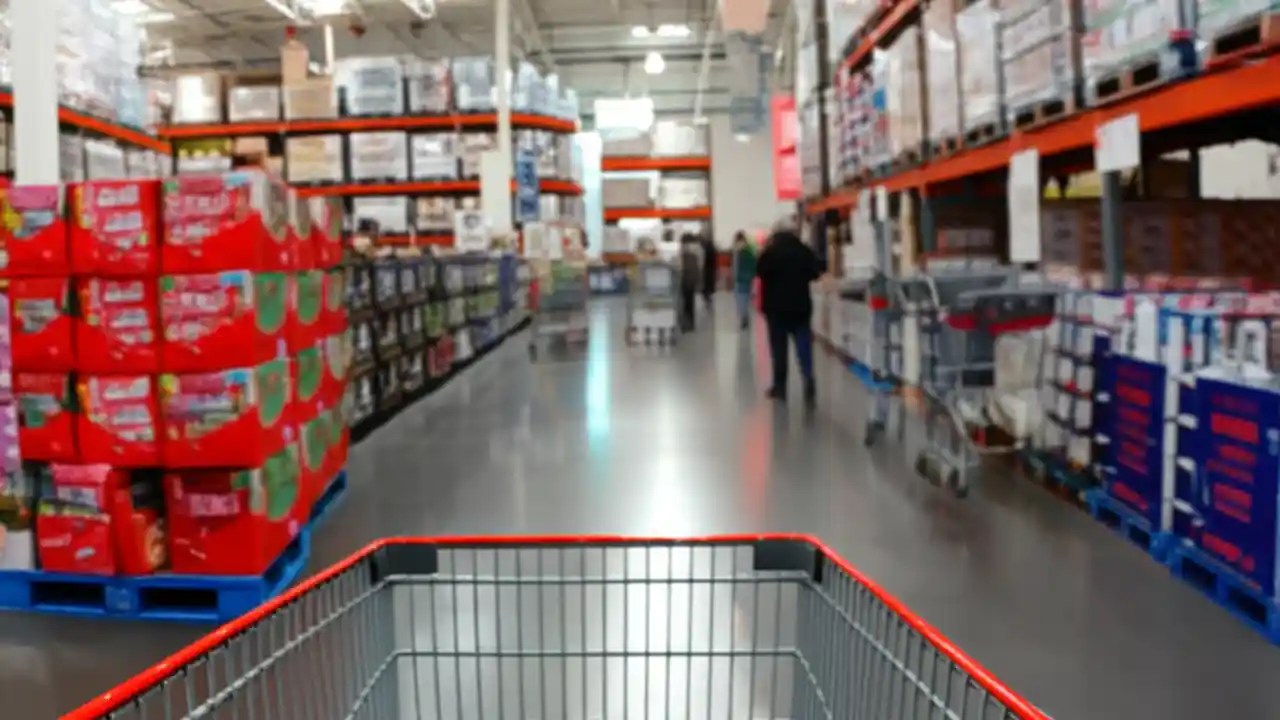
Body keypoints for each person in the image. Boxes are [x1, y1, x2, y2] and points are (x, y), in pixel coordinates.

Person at [756, 216, 821, 403]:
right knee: (804, 346)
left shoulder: (770, 252)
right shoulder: (804, 251)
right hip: (801, 307)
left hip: (776, 309)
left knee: (779, 349)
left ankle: (780, 387)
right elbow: (815, 274)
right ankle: (808, 380)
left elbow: (760, 271)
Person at [730, 231, 757, 330]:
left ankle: (744, 319)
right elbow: (754, 264)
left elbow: (735, 267)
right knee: (746, 299)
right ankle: (745, 318)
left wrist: (733, 278)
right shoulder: (750, 249)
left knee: (741, 299)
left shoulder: (737, 250)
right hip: (749, 278)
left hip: (740, 278)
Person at [678, 234, 703, 331]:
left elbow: (681, 267)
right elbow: (699, 267)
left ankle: (686, 323)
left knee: (685, 302)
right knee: (690, 302)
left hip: (685, 280)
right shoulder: (696, 252)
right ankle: (690, 324)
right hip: (692, 280)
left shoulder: (685, 253)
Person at [699, 233, 718, 311]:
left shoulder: (706, 249)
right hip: (711, 269)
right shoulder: (712, 248)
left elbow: (704, 261)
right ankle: (708, 296)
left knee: (706, 284)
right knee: (709, 284)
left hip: (707, 269)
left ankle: (707, 296)